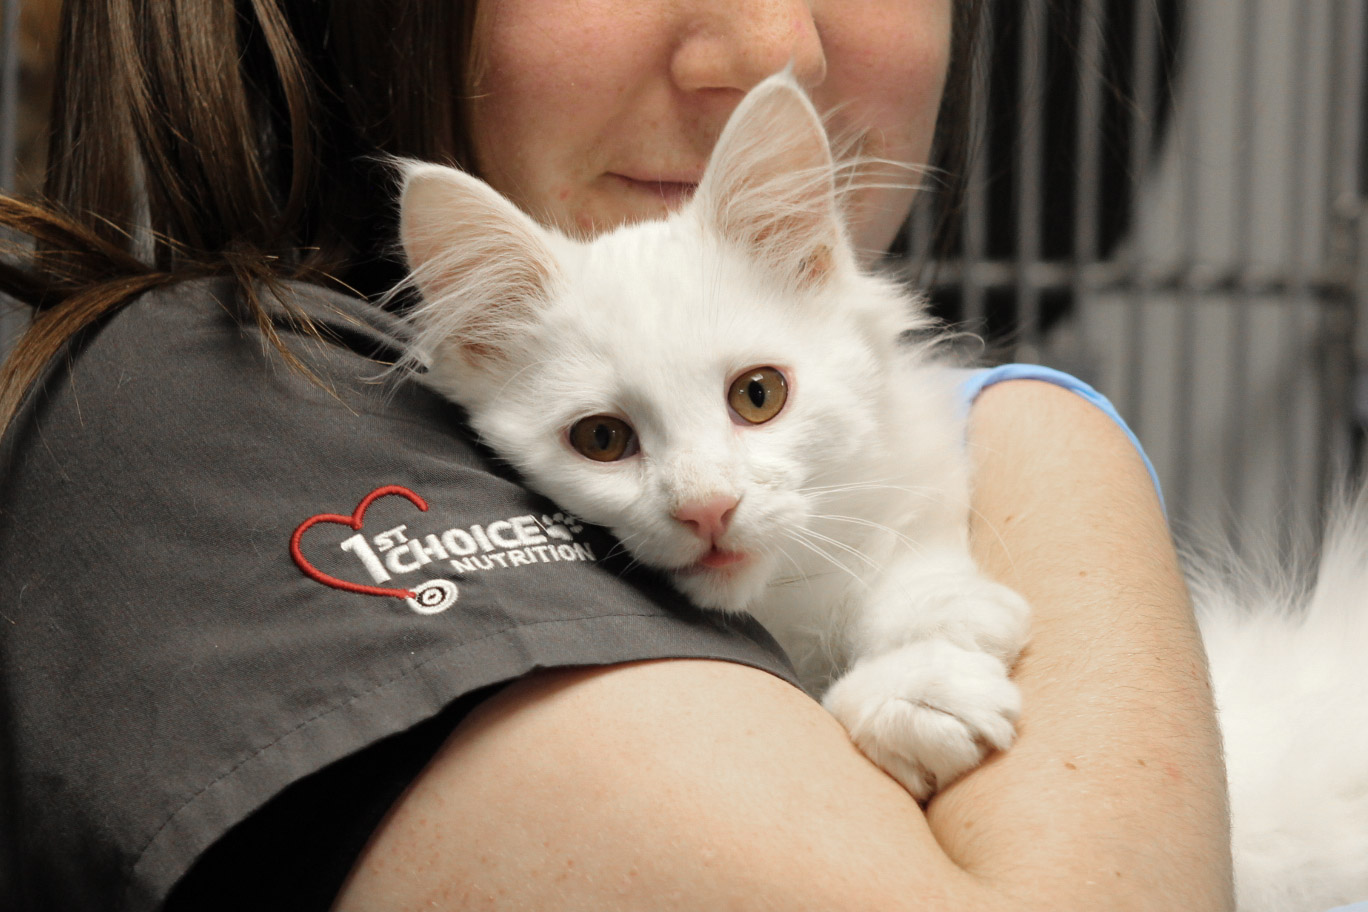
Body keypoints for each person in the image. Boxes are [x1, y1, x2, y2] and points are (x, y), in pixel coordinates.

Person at [0, 1, 1232, 909]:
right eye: (602, 436)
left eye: (754, 390)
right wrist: (1054, 450)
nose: (778, 49)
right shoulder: (208, 410)